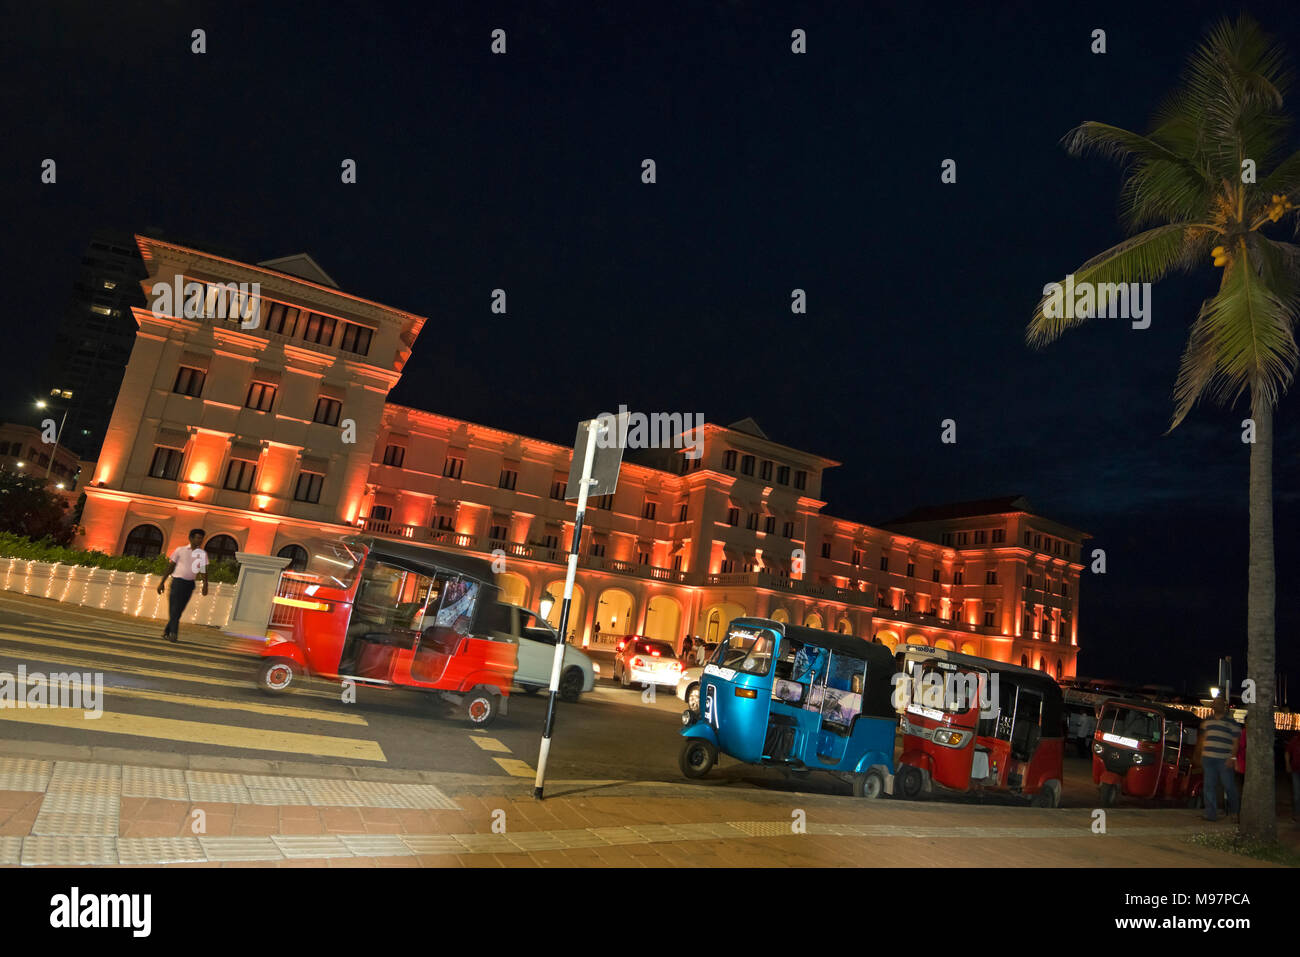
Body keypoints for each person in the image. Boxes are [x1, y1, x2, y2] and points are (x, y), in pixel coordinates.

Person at [155, 529, 209, 643]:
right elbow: (171, 566)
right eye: (197, 537)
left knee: (179, 609)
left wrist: (205, 585)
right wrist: (162, 582)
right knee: (174, 608)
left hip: (189, 584)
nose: (199, 540)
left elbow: (203, 570)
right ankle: (173, 633)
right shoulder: (180, 550)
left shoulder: (202, 554)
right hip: (177, 582)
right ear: (191, 538)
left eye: (201, 538)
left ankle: (167, 631)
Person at [1197, 699, 1241, 822]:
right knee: (1208, 787)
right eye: (1214, 704)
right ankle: (1210, 814)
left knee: (1229, 786)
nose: (1216, 705)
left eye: (1219, 704)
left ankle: (1234, 813)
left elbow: (1236, 742)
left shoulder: (1232, 722)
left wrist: (1232, 758)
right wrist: (1201, 754)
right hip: (1208, 758)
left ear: (1224, 706)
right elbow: (1204, 738)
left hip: (1224, 759)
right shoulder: (1207, 721)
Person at [1285, 731, 1300, 824]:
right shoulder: (1295, 739)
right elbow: (1287, 752)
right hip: (1296, 771)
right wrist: (1287, 764)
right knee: (1297, 794)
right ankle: (1296, 815)